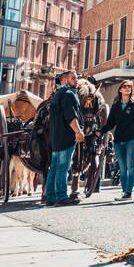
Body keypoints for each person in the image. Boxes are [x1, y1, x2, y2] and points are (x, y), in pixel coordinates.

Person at [101, 79, 134, 200]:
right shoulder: (115, 106)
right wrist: (100, 131)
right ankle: (125, 191)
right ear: (120, 89)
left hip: (132, 139)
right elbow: (110, 123)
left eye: (129, 87)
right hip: (118, 140)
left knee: (131, 165)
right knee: (122, 167)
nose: (127, 88)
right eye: (124, 86)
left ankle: (128, 192)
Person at [46, 69, 84, 206]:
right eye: (73, 78)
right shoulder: (69, 94)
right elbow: (71, 116)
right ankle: (61, 196)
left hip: (56, 138)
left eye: (76, 78)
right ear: (65, 80)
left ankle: (50, 198)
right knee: (63, 167)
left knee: (54, 167)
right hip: (66, 137)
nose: (76, 80)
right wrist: (78, 132)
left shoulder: (58, 94)